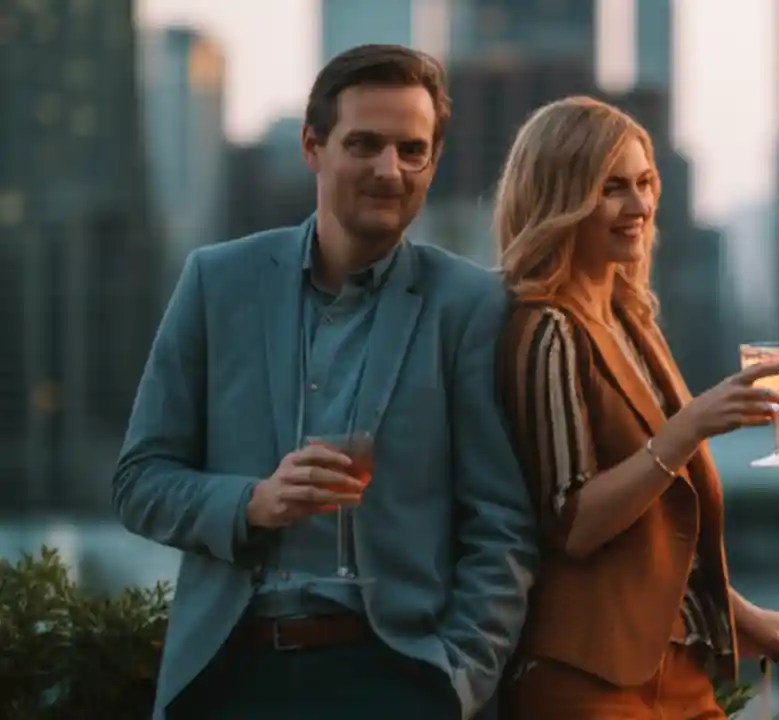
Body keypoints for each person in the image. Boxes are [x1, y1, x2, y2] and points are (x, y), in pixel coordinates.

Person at [111, 44, 537, 720]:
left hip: (397, 675)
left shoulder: (472, 304)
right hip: (231, 674)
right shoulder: (217, 283)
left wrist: (454, 682)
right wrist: (254, 502)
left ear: (433, 160)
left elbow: (502, 525)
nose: (388, 170)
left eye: (411, 149)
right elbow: (139, 481)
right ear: (314, 146)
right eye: (364, 144)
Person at [495, 96, 779, 719]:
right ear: (561, 198)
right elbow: (575, 523)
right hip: (591, 679)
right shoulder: (548, 329)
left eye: (646, 183)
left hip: (676, 673)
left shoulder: (632, 317)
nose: (640, 206)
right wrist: (691, 426)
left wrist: (739, 615)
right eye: (612, 188)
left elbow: (661, 529)